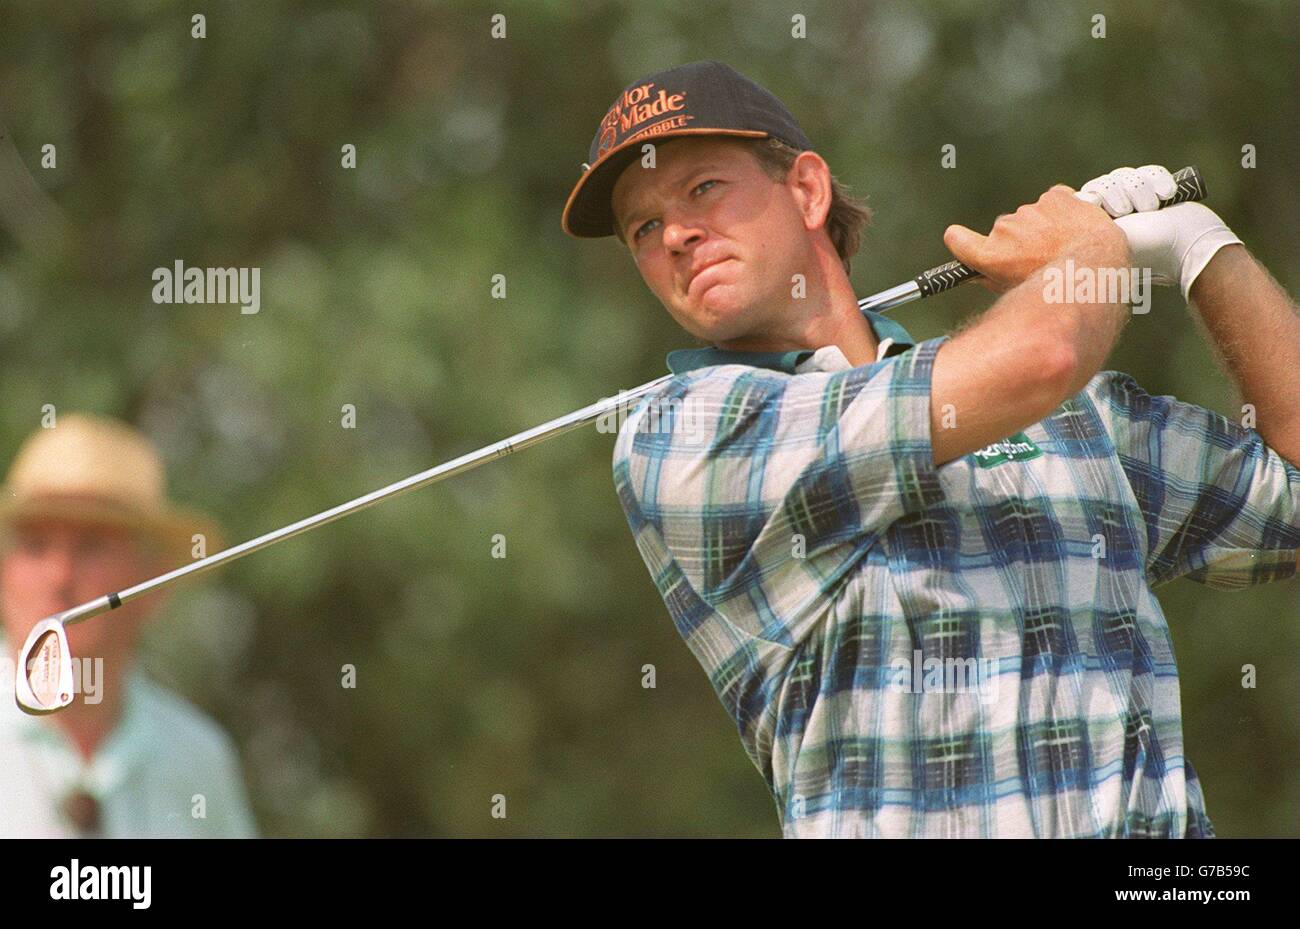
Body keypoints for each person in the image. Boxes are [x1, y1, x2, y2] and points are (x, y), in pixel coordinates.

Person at [562, 60, 1299, 837]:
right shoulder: (681, 437)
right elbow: (1040, 354)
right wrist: (1092, 254)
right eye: (644, 227)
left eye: (703, 189)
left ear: (807, 191)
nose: (675, 234)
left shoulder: (1074, 419)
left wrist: (1201, 249)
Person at [0, 413, 257, 837]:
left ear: (153, 582)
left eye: (91, 547)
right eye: (35, 546)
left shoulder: (199, 759)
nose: (59, 577)